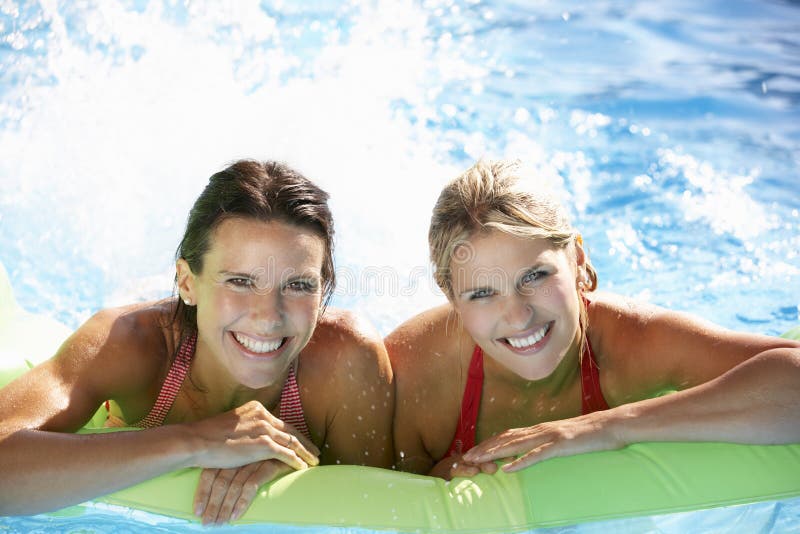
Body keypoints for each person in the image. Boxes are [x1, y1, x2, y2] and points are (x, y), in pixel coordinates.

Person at [0, 160, 394, 524]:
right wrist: (195, 441)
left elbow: (384, 510)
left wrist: (298, 463)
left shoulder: (348, 361)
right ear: (188, 283)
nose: (269, 316)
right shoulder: (131, 344)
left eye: (298, 285)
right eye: (240, 281)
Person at [387, 158, 800, 480]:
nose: (517, 316)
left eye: (535, 276)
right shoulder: (418, 375)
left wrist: (608, 426)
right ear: (451, 299)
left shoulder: (630, 345)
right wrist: (432, 478)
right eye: (482, 293)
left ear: (578, 261)